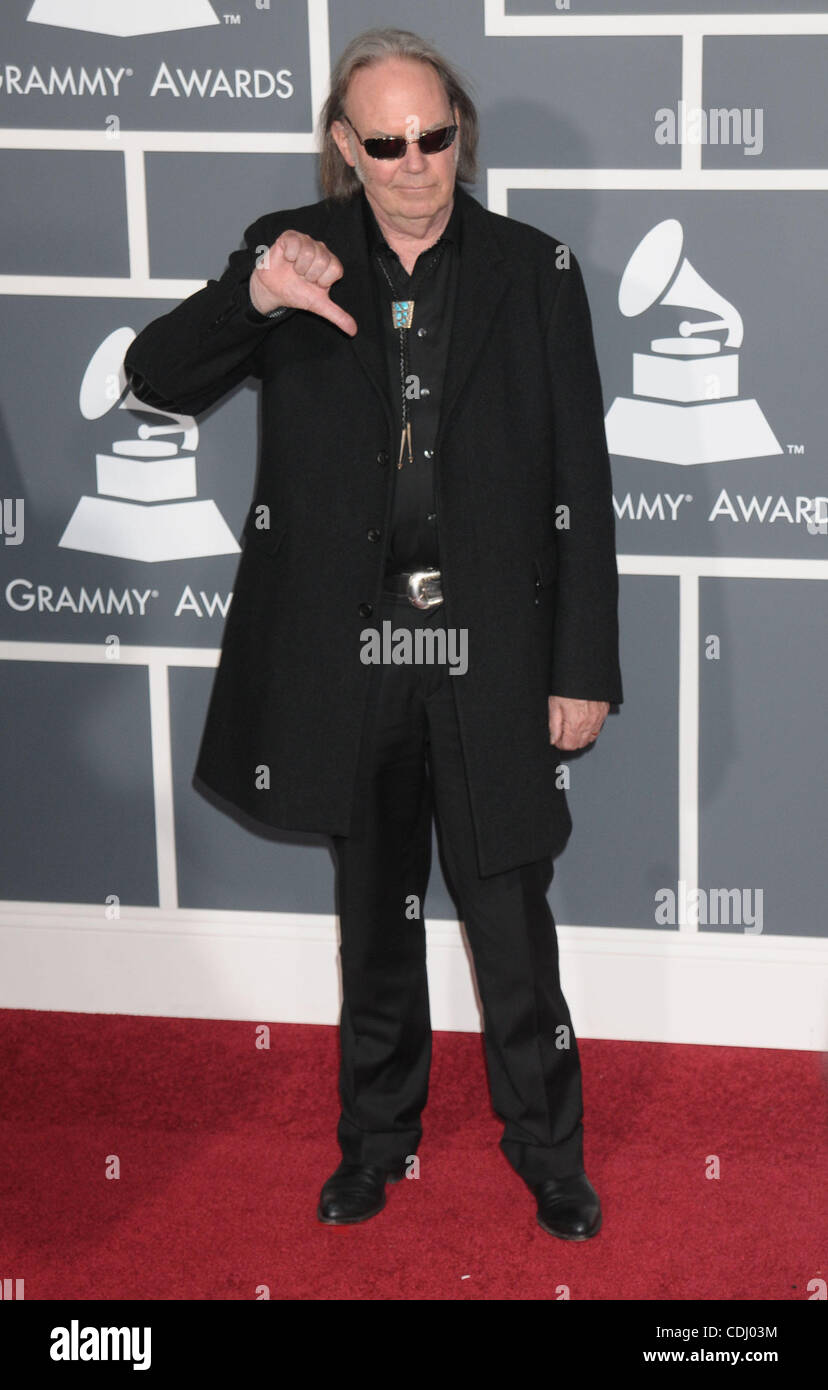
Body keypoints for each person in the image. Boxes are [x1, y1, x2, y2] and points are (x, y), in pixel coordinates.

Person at [124, 26, 623, 1241]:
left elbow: (583, 479)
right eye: (385, 142)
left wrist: (583, 667)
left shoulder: (533, 269)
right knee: (378, 923)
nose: (414, 163)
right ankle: (376, 1144)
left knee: (512, 921)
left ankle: (550, 1153)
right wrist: (255, 292)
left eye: (434, 136)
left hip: (491, 656)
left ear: (461, 129)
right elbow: (156, 373)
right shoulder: (294, 255)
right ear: (346, 147)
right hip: (352, 663)